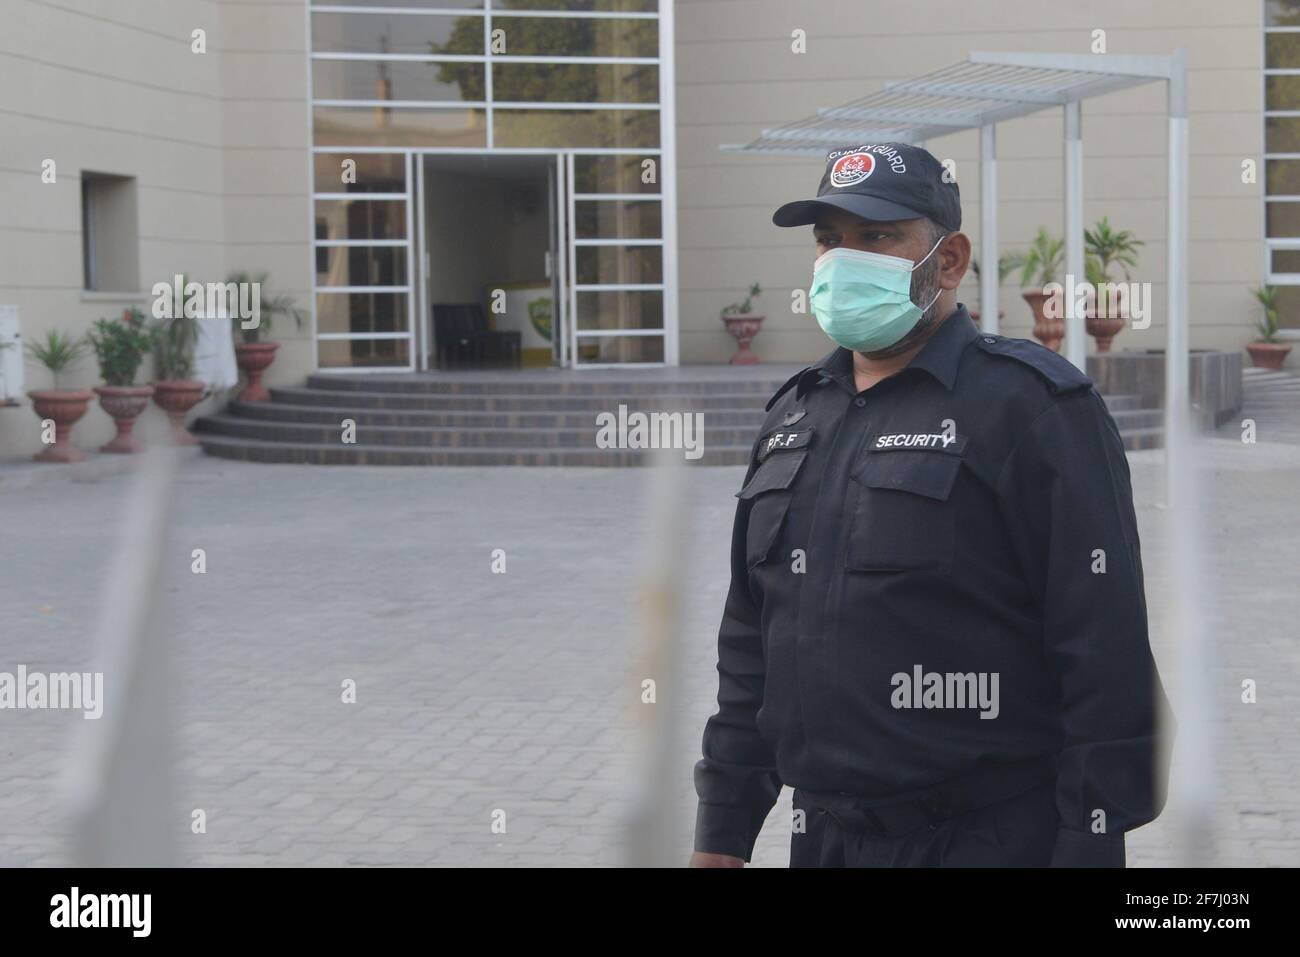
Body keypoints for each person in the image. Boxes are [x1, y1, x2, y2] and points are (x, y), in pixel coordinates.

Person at [690, 142, 1173, 868]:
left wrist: (1091, 836)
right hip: (823, 838)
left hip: (986, 836)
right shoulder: (796, 417)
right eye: (829, 240)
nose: (843, 260)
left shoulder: (1031, 409)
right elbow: (750, 643)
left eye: (877, 237)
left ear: (949, 261)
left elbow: (1103, 650)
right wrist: (722, 832)